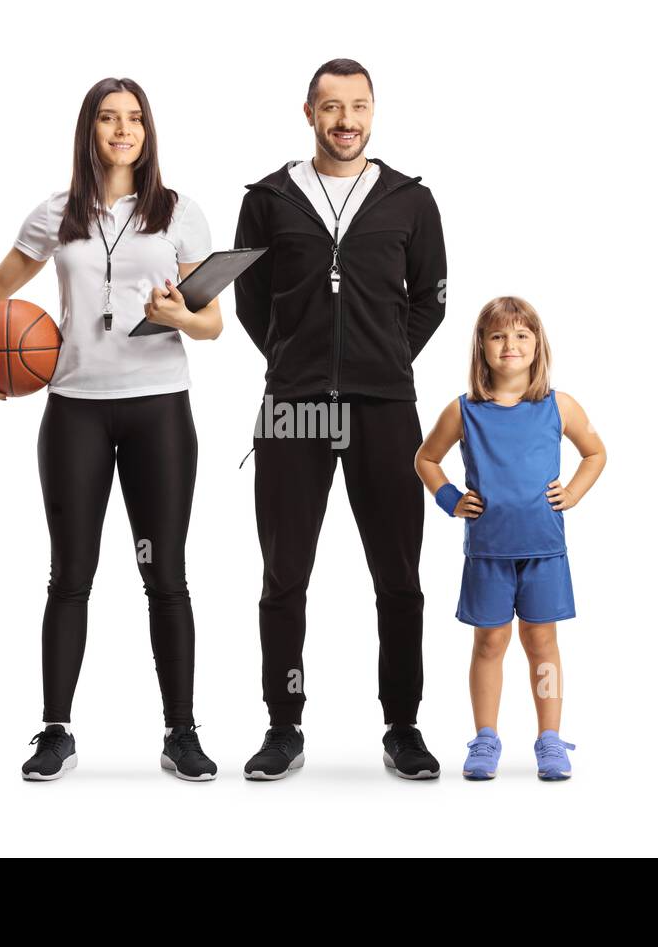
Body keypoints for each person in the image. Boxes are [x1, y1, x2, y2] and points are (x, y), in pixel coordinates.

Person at [0, 78, 223, 782]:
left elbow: (213, 323)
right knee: (69, 575)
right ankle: (55, 731)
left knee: (166, 574)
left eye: (133, 118)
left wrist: (178, 318)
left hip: (159, 404)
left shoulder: (181, 214)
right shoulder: (56, 212)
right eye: (108, 118)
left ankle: (181, 731)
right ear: (89, 130)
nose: (122, 129)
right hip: (74, 408)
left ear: (148, 130)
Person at [232, 59, 448, 779]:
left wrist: (381, 361)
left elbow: (431, 301)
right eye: (331, 107)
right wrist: (297, 363)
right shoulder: (268, 198)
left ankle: (403, 725)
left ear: (373, 112)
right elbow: (250, 305)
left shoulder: (410, 200)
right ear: (308, 113)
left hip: (385, 407)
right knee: (283, 573)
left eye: (357, 106)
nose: (345, 120)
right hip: (292, 407)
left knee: (400, 576)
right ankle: (283, 724)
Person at [415, 296, 606, 781]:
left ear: (537, 344)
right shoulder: (464, 411)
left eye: (522, 335)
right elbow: (426, 460)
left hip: (544, 551)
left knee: (543, 643)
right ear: (482, 345)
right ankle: (485, 739)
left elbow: (595, 453)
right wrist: (450, 499)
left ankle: (550, 739)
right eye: (498, 335)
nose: (510, 345)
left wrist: (574, 494)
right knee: (490, 643)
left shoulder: (558, 405)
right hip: (487, 553)